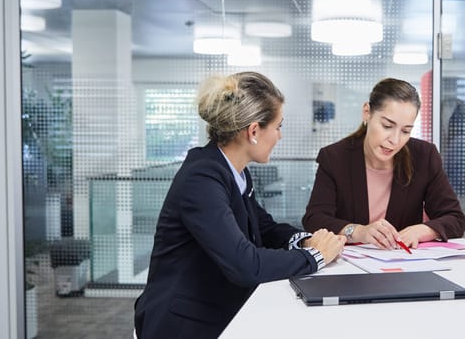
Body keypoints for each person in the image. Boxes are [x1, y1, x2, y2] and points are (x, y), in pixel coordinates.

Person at [134, 72, 345, 338]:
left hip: (215, 307)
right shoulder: (201, 178)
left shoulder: (233, 171)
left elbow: (264, 228)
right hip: (181, 324)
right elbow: (245, 264)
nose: (279, 136)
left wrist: (305, 241)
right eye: (278, 127)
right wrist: (316, 256)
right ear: (254, 131)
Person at [302, 78, 465, 249]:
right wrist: (359, 231)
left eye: (405, 131)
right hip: (349, 262)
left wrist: (422, 230)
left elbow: (455, 219)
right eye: (387, 126)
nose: (395, 140)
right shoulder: (334, 158)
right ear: (367, 112)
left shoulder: (424, 156)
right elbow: (314, 220)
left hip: (403, 261)